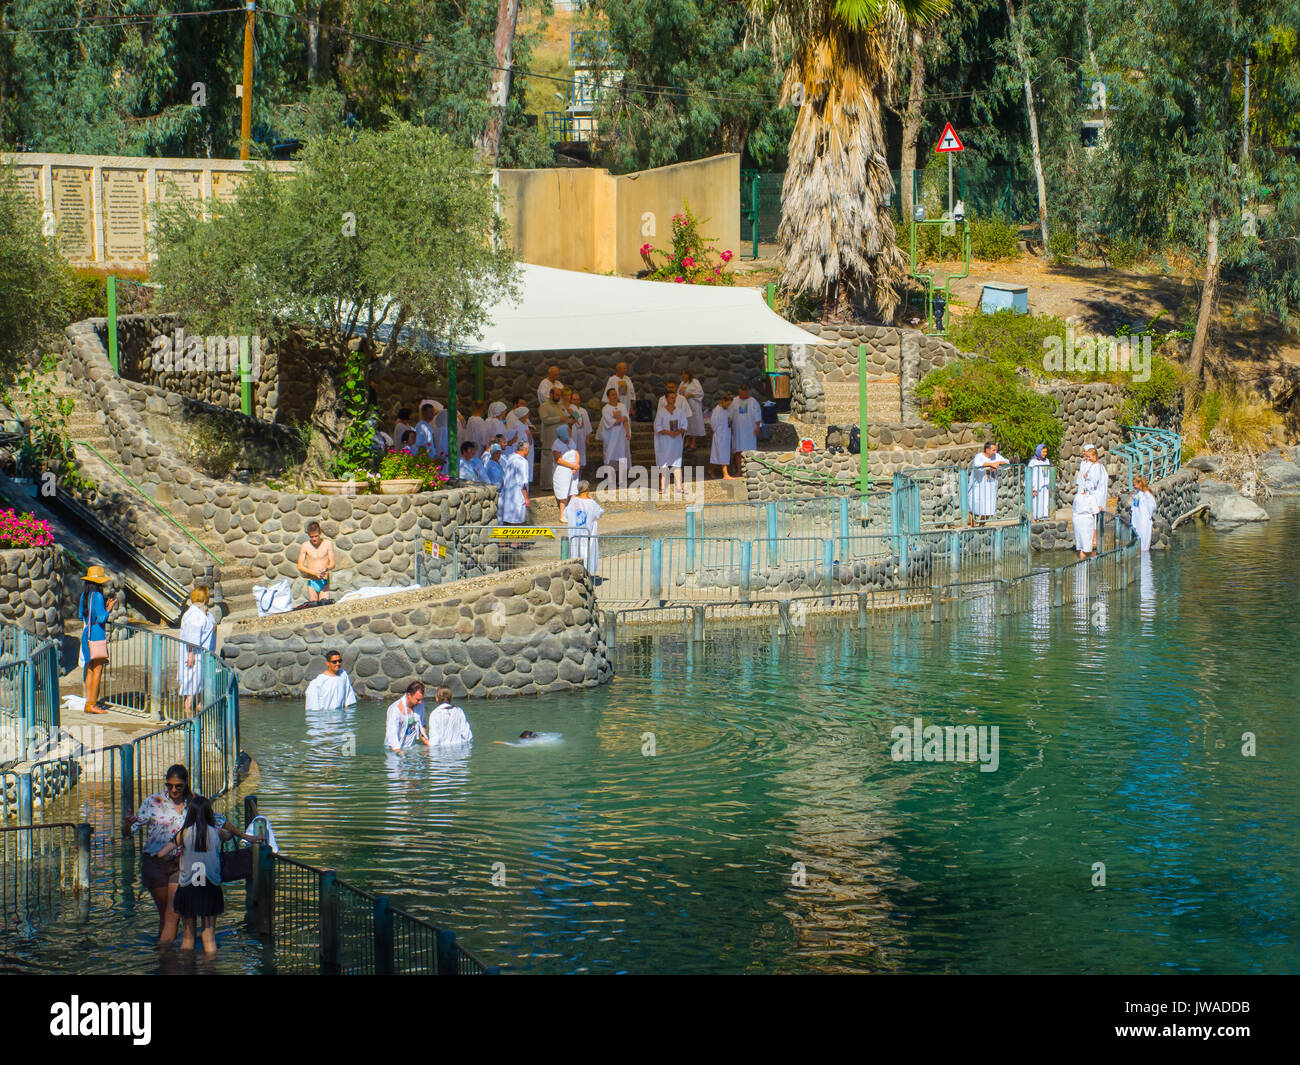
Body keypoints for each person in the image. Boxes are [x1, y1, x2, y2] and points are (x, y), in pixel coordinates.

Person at [123, 764, 232, 946]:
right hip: (154, 863)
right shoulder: (153, 802)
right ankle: (165, 957)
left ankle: (170, 960)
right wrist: (127, 824)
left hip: (180, 864)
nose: (174, 790)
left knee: (173, 914)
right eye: (170, 785)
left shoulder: (196, 802)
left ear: (186, 783)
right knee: (165, 915)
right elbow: (128, 832)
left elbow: (220, 821)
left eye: (178, 786)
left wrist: (246, 836)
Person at [172, 794, 251, 955]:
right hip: (210, 887)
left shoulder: (184, 833)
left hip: (189, 887)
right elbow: (228, 835)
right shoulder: (216, 832)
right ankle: (210, 968)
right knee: (209, 937)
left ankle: (185, 968)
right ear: (209, 813)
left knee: (188, 936)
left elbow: (167, 851)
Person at [78, 565, 115, 715]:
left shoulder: (84, 595)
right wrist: (109, 608)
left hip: (87, 631)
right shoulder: (98, 596)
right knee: (98, 670)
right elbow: (101, 618)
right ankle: (92, 704)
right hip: (97, 633)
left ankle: (89, 703)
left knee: (90, 669)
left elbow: (81, 614)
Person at [177, 586, 216, 717]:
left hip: (200, 654)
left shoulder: (197, 612)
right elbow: (192, 636)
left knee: (197, 683)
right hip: (196, 655)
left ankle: (199, 706)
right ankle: (188, 713)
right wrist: (191, 654)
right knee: (192, 683)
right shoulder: (195, 615)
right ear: (205, 598)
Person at [1073, 443, 1108, 559]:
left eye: (1089, 456)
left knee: (1094, 518)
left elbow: (1094, 482)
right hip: (1089, 493)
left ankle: (1094, 539)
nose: (1087, 458)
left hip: (1095, 494)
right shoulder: (1090, 465)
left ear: (1094, 456)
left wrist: (1086, 482)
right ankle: (1090, 541)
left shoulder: (1098, 466)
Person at [654, 392, 690, 498]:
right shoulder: (661, 412)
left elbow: (684, 424)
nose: (673, 400)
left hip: (676, 442)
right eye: (671, 398)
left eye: (674, 398)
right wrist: (668, 432)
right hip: (664, 441)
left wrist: (679, 432)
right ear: (666, 399)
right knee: (664, 464)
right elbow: (657, 427)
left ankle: (679, 487)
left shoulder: (680, 412)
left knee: (677, 463)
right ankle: (663, 487)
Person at [565, 481, 604, 578]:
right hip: (588, 533)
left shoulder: (573, 501)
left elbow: (566, 513)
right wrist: (593, 500)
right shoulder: (591, 502)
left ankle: (576, 573)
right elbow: (599, 513)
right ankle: (587, 574)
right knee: (588, 553)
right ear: (587, 489)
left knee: (576, 551)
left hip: (576, 533)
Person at [969, 441, 1010, 525]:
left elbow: (1006, 462)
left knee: (988, 508)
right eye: (993, 450)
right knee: (973, 507)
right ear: (987, 450)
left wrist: (998, 463)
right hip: (978, 486)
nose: (995, 452)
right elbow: (978, 465)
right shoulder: (979, 456)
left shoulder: (996, 456)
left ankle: (981, 526)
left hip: (990, 488)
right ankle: (972, 527)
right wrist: (991, 464)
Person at [599, 387, 632, 489]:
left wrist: (627, 431)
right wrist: (620, 419)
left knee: (621, 456)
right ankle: (611, 480)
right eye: (612, 395)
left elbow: (626, 419)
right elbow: (609, 422)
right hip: (610, 436)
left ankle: (621, 480)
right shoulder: (605, 408)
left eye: (615, 394)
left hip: (621, 436)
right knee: (610, 457)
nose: (614, 396)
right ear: (608, 397)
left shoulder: (622, 406)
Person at [297, 522, 336, 602]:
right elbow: (300, 566)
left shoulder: (328, 544)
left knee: (324, 604)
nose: (314, 539)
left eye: (316, 536)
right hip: (312, 580)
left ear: (320, 533)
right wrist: (314, 573)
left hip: (324, 580)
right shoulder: (305, 546)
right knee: (313, 606)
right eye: (311, 537)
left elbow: (333, 563)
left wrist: (326, 568)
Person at [385, 682, 429, 751]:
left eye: (421, 699)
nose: (420, 702)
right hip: (394, 748)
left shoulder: (420, 704)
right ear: (409, 695)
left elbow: (422, 724)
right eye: (417, 699)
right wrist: (399, 752)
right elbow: (391, 734)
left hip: (411, 747)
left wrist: (428, 744)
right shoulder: (395, 709)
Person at [539, 386, 567, 489]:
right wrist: (559, 418)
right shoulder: (544, 406)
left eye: (560, 395)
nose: (559, 397)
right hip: (550, 437)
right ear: (551, 395)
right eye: (557, 395)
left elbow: (565, 418)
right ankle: (547, 484)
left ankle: (559, 483)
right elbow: (545, 419)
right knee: (549, 460)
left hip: (561, 439)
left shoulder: (561, 406)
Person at [551, 424, 581, 520]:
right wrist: (573, 466)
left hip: (573, 470)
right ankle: (562, 515)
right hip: (563, 471)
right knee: (563, 493)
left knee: (573, 492)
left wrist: (576, 465)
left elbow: (576, 453)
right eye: (568, 431)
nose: (570, 432)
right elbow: (558, 459)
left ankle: (572, 513)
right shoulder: (557, 444)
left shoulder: (571, 441)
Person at [729, 387, 761, 469]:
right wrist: (730, 426)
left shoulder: (753, 402)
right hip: (737, 431)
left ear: (747, 392)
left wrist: (757, 427)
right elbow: (730, 415)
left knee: (750, 450)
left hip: (750, 431)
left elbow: (757, 415)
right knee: (738, 451)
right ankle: (739, 470)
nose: (742, 396)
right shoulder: (734, 401)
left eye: (744, 394)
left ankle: (750, 469)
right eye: (740, 394)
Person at [500, 441, 531, 524]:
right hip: (517, 495)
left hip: (508, 494)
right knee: (518, 521)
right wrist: (526, 498)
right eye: (528, 450)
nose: (529, 452)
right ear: (525, 449)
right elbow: (523, 482)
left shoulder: (510, 458)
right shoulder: (523, 462)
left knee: (509, 520)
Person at [1130, 473, 1157, 553]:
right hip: (1136, 520)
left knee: (1143, 543)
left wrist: (1147, 515)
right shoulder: (1137, 493)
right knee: (1137, 540)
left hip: (1144, 520)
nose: (1134, 486)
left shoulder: (1147, 494)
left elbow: (1153, 506)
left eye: (1135, 484)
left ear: (1140, 483)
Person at [709, 393, 733, 479]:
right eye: (727, 404)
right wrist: (717, 432)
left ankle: (711, 470)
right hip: (719, 435)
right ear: (723, 401)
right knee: (721, 454)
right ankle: (725, 474)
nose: (728, 406)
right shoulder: (717, 410)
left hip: (726, 434)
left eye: (730, 404)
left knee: (718, 455)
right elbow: (713, 424)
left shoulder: (727, 410)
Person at [565, 389, 592, 468]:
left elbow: (587, 425)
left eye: (578, 399)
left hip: (581, 437)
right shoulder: (568, 409)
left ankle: (580, 477)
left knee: (581, 457)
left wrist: (587, 438)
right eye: (574, 399)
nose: (576, 401)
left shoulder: (583, 411)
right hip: (571, 437)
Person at [680, 370, 705, 450]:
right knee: (687, 424)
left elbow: (700, 393)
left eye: (685, 374)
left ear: (689, 374)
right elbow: (678, 394)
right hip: (685, 407)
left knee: (694, 424)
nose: (683, 375)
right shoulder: (682, 383)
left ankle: (693, 443)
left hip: (694, 406)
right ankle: (687, 442)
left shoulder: (695, 382)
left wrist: (691, 394)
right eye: (682, 374)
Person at [1028, 443, 1052, 520]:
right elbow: (1029, 475)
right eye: (1043, 452)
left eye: (1046, 452)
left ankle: (1044, 516)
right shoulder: (1033, 462)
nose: (1045, 454)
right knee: (1036, 502)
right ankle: (1036, 517)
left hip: (1045, 486)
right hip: (1036, 486)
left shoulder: (1046, 461)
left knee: (1045, 502)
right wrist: (1032, 488)